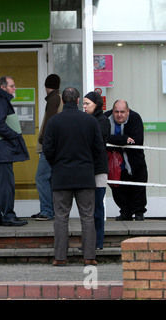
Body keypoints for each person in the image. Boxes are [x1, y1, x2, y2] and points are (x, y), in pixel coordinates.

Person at [43, 87, 104, 266]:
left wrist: (57, 163)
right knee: (87, 216)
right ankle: (89, 256)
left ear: (63, 101)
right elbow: (98, 148)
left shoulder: (54, 122)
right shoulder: (90, 122)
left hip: (61, 176)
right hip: (85, 175)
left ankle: (60, 257)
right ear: (77, 101)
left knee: (61, 217)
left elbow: (48, 149)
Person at [0, 76, 30, 227]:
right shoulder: (0, 100)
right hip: (0, 150)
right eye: (12, 85)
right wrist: (14, 136)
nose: (14, 88)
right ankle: (8, 216)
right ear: (3, 87)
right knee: (5, 185)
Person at [104, 100, 148, 221]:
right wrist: (124, 139)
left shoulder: (135, 118)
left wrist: (112, 141)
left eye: (122, 112)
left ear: (128, 111)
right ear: (112, 111)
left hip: (135, 161)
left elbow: (136, 139)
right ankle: (125, 212)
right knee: (118, 189)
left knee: (138, 187)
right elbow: (101, 139)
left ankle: (139, 213)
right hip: (114, 163)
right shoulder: (105, 118)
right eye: (116, 112)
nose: (119, 115)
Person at [32, 74, 63, 221]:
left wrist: (43, 140)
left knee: (41, 177)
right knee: (50, 179)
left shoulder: (53, 99)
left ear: (46, 86)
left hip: (50, 146)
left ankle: (46, 210)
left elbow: (49, 121)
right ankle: (51, 210)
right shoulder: (59, 98)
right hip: (57, 146)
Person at [83, 91, 110, 249]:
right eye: (84, 104)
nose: (84, 107)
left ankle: (98, 241)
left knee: (97, 206)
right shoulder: (87, 120)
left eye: (87, 103)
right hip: (87, 168)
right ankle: (89, 242)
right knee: (88, 208)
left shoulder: (103, 121)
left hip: (98, 169)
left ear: (96, 104)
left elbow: (96, 142)